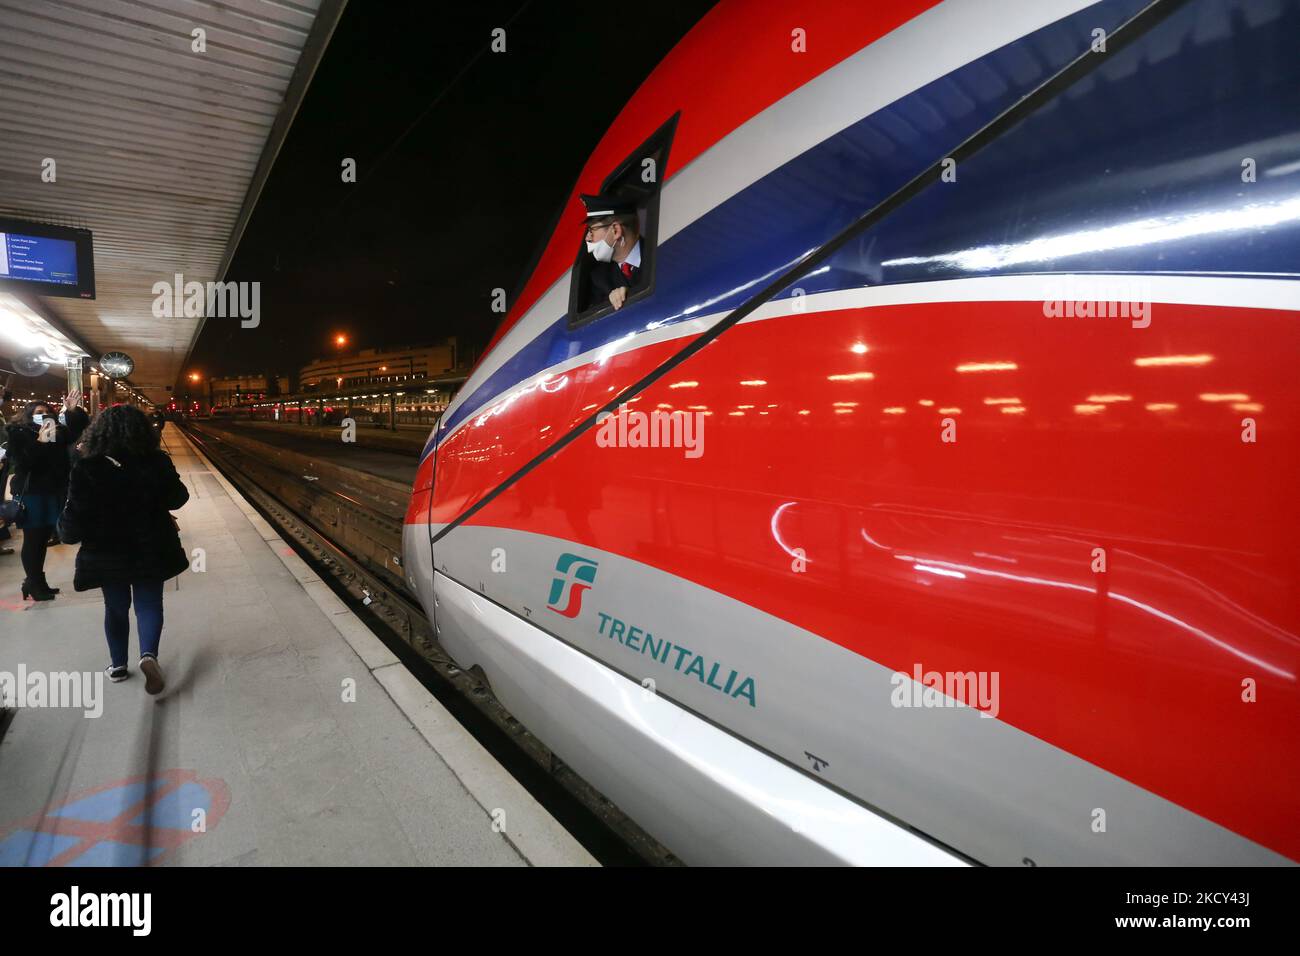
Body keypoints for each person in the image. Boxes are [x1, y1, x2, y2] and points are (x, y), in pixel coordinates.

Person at [58, 405, 190, 693]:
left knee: (115, 607)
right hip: (150, 546)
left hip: (107, 550)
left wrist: (65, 533)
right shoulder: (155, 461)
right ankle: (148, 656)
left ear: (98, 431)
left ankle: (117, 665)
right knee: (149, 604)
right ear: (142, 430)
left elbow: (75, 512)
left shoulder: (87, 465)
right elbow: (178, 498)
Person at [5, 401, 71, 600]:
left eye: (47, 412)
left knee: (43, 538)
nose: (43, 415)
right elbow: (23, 463)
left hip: (51, 491)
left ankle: (36, 581)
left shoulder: (55, 432)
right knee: (33, 539)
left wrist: (69, 415)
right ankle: (33, 583)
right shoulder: (19, 433)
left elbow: (63, 455)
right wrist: (39, 442)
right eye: (38, 412)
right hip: (31, 493)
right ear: (28, 414)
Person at [580, 193, 646, 312]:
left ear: (616, 230)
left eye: (592, 230)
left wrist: (630, 294)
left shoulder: (660, 251)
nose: (588, 238)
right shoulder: (600, 278)